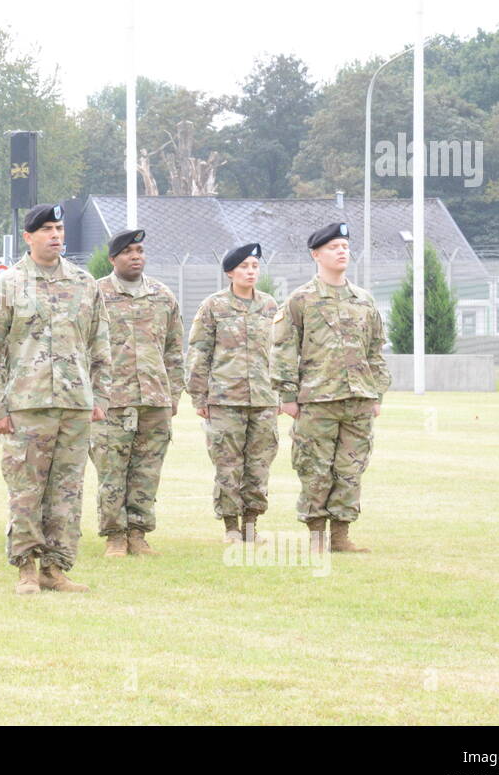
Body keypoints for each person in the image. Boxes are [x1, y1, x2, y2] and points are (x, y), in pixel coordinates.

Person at [0, 203, 110, 594]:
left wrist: (99, 397)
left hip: (74, 404)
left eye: (59, 228)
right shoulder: (8, 285)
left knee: (67, 492)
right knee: (26, 489)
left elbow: (100, 345)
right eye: (47, 229)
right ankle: (26, 569)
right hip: (26, 405)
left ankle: (56, 567)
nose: (55, 235)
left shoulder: (85, 284)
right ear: (28, 236)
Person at [272, 222, 391, 553]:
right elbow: (283, 349)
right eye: (334, 247)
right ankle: (316, 536)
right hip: (317, 400)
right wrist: (287, 397)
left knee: (350, 469)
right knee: (314, 468)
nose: (342, 251)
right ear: (316, 255)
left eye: (345, 246)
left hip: (358, 400)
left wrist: (376, 394)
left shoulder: (364, 300)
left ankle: (341, 535)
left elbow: (375, 351)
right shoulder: (301, 300)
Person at [90, 229, 184, 558]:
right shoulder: (96, 293)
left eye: (140, 250)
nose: (136, 256)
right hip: (112, 401)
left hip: (153, 400)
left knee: (146, 471)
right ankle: (115, 535)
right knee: (112, 471)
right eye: (128, 251)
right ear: (113, 258)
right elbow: (83, 345)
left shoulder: (162, 295)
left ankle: (138, 533)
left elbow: (174, 349)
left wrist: (173, 395)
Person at [188, 242, 279, 545]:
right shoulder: (214, 306)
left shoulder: (269, 306)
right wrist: (199, 397)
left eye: (254, 266)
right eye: (244, 267)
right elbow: (200, 352)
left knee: (259, 464)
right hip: (225, 400)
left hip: (263, 400)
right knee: (228, 465)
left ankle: (251, 526)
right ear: (230, 272)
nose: (251, 272)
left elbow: (279, 352)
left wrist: (280, 392)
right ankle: (230, 528)